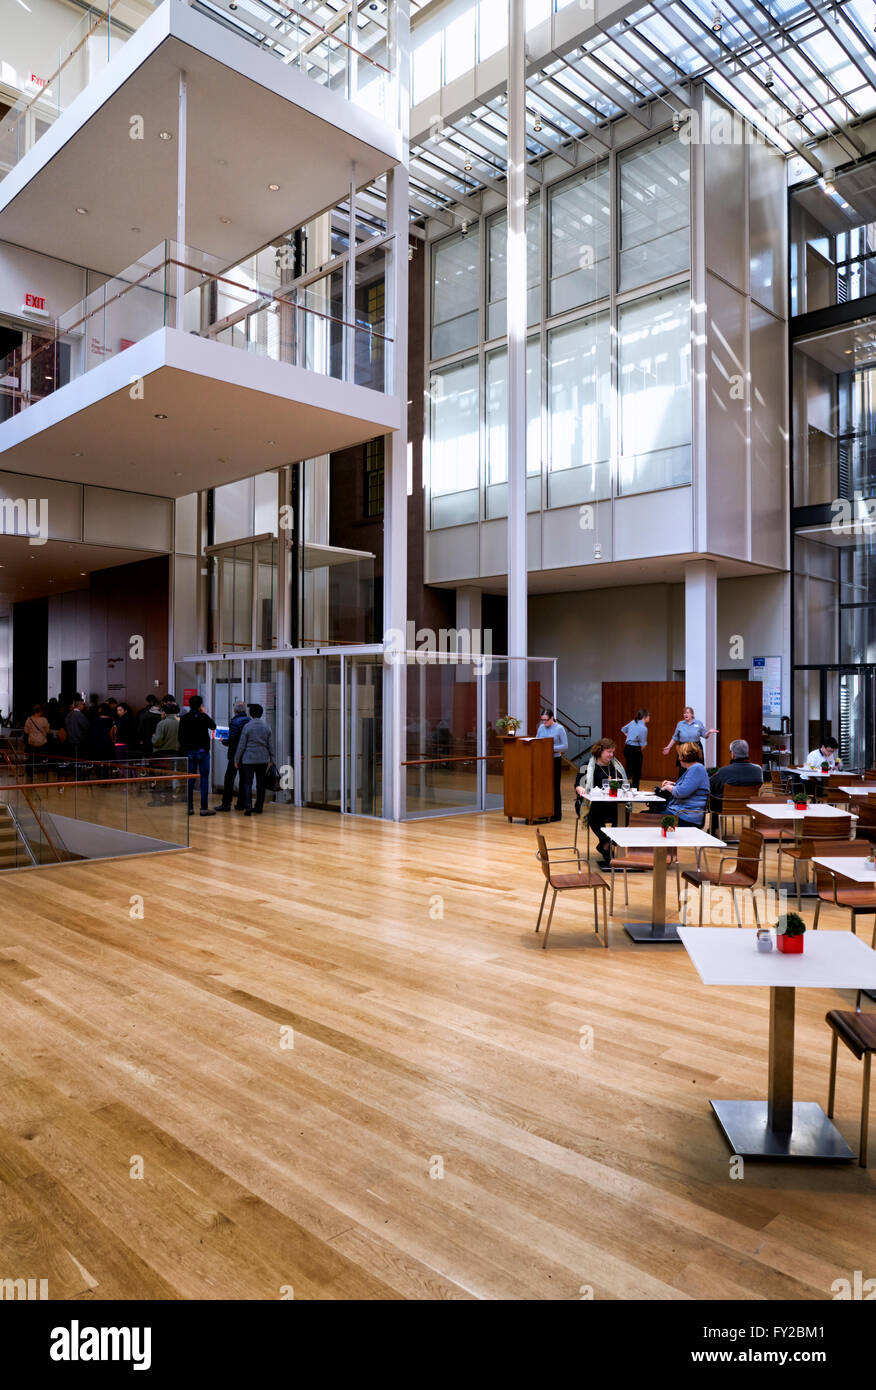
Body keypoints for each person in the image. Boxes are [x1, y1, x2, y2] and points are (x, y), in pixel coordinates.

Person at [575, 737, 627, 868]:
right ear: (600, 751)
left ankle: (606, 845)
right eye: (609, 752)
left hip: (612, 804)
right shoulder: (587, 766)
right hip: (592, 805)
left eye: (613, 752)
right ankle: (605, 843)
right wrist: (580, 789)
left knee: (625, 815)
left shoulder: (616, 766)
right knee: (594, 814)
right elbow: (578, 784)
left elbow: (624, 784)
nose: (611, 755)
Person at [709, 738, 763, 834]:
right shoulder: (758, 770)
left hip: (725, 806)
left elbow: (711, 784)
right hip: (749, 806)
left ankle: (713, 829)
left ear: (733, 754)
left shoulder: (724, 771)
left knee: (713, 794)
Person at [178, 694, 217, 817]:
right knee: (204, 780)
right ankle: (204, 808)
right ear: (201, 706)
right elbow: (213, 726)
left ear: (189, 705)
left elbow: (180, 737)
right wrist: (204, 713)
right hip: (203, 752)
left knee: (190, 780)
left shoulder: (184, 718)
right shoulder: (203, 717)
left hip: (190, 752)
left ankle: (190, 808)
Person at [235, 703, 275, 816]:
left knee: (247, 783)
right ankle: (259, 807)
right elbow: (270, 745)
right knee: (261, 784)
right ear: (261, 714)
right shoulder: (266, 727)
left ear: (251, 714)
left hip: (248, 760)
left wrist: (236, 759)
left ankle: (248, 807)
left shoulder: (247, 726)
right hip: (263, 759)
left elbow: (241, 745)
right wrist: (272, 758)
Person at [658, 742, 711, 827]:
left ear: (684, 756)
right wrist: (673, 784)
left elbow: (681, 792)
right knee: (645, 816)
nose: (678, 758)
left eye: (679, 755)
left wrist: (668, 787)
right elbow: (688, 787)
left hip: (685, 816)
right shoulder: (694, 768)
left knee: (643, 819)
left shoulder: (696, 769)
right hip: (683, 813)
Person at [216, 701, 250, 812]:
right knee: (243, 779)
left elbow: (233, 740)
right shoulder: (249, 720)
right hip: (246, 754)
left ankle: (226, 804)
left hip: (235, 755)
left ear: (235, 710)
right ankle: (242, 803)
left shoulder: (235, 722)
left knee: (229, 779)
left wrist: (223, 741)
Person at [662, 705, 718, 770]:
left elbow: (705, 736)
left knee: (696, 768)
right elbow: (675, 737)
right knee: (683, 769)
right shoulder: (680, 724)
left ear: (692, 714)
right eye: (684, 713)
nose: (685, 714)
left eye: (687, 712)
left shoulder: (698, 723)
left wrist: (709, 732)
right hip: (683, 748)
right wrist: (669, 747)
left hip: (696, 748)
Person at [536, 709, 569, 822]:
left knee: (554, 786)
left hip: (555, 760)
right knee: (543, 786)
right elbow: (537, 741)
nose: (544, 723)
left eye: (546, 720)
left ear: (552, 718)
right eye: (542, 720)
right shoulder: (541, 727)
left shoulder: (559, 728)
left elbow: (565, 746)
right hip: (542, 760)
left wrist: (549, 747)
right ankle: (544, 811)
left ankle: (556, 814)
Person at [620, 708, 649, 789]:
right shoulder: (643, 728)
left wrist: (629, 736)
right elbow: (643, 745)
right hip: (635, 750)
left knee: (628, 770)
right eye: (648, 716)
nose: (649, 717)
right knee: (637, 772)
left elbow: (623, 729)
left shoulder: (633, 722)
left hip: (627, 748)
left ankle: (624, 789)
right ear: (645, 717)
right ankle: (635, 790)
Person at [24, 703, 50, 772]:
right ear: (41, 711)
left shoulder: (29, 719)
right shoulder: (44, 719)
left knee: (32, 756)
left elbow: (26, 731)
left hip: (32, 741)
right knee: (41, 756)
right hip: (42, 742)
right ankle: (41, 768)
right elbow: (47, 731)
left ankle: (30, 769)